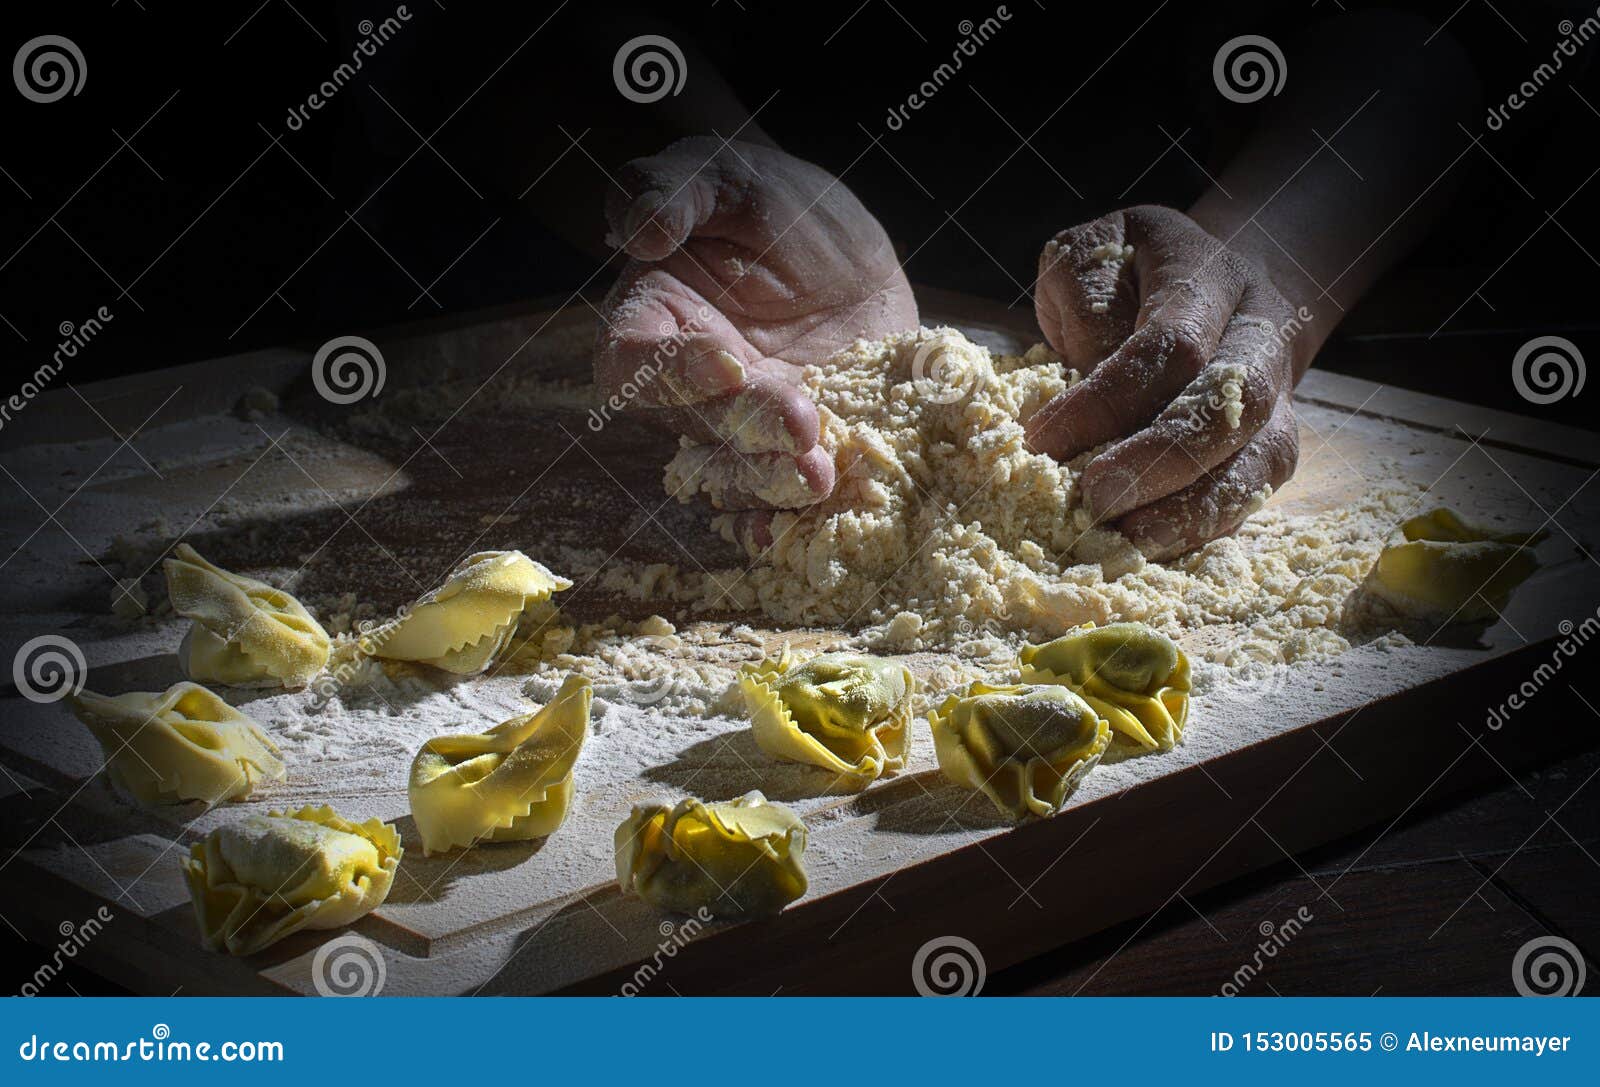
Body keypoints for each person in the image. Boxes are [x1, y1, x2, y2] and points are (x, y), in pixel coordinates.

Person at [591, 8, 1482, 560]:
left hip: (1203, 223)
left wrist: (1264, 268)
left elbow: (1442, 40)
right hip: (795, 289)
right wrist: (737, 198)